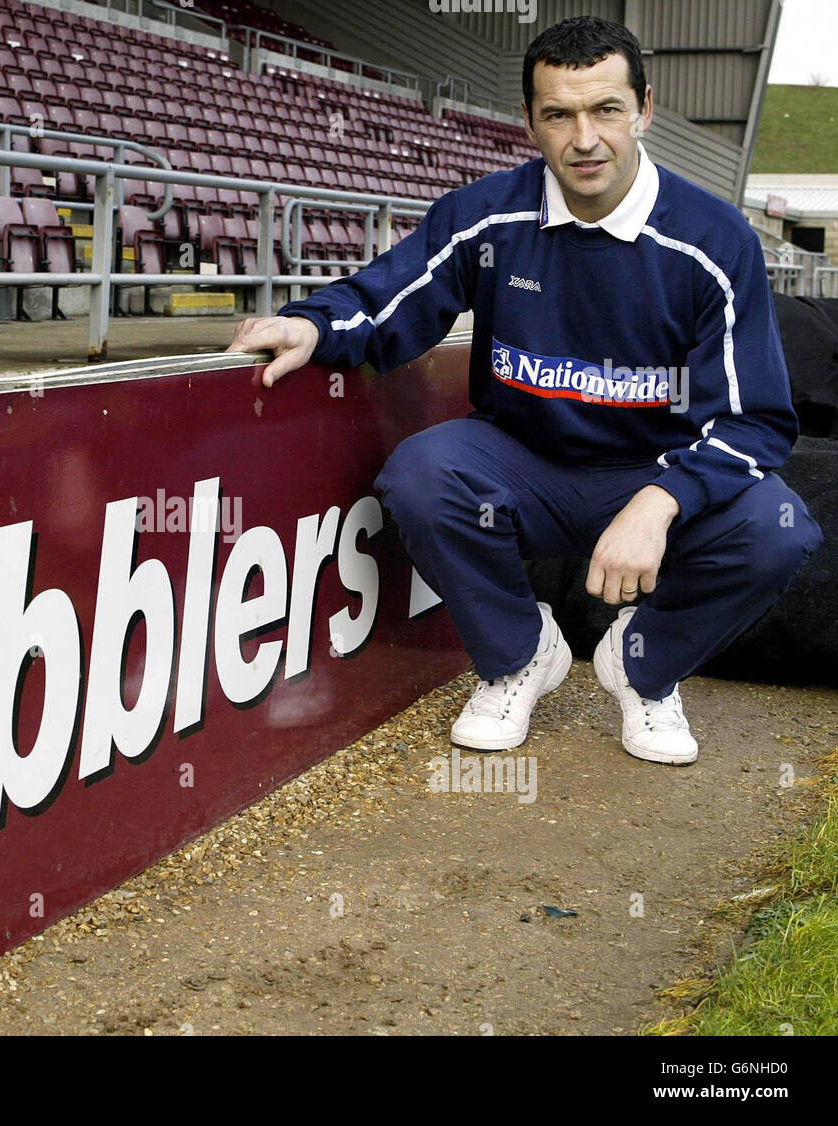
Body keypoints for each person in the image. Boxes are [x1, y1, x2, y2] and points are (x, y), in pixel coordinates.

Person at [225, 16, 823, 766]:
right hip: (524, 467)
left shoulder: (714, 240)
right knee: (422, 474)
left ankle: (641, 667)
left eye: (606, 110)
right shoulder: (487, 215)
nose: (584, 138)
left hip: (652, 475)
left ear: (644, 110)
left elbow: (755, 420)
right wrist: (315, 327)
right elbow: (391, 296)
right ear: (529, 122)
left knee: (777, 527)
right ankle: (519, 657)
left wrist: (662, 502)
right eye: (558, 115)